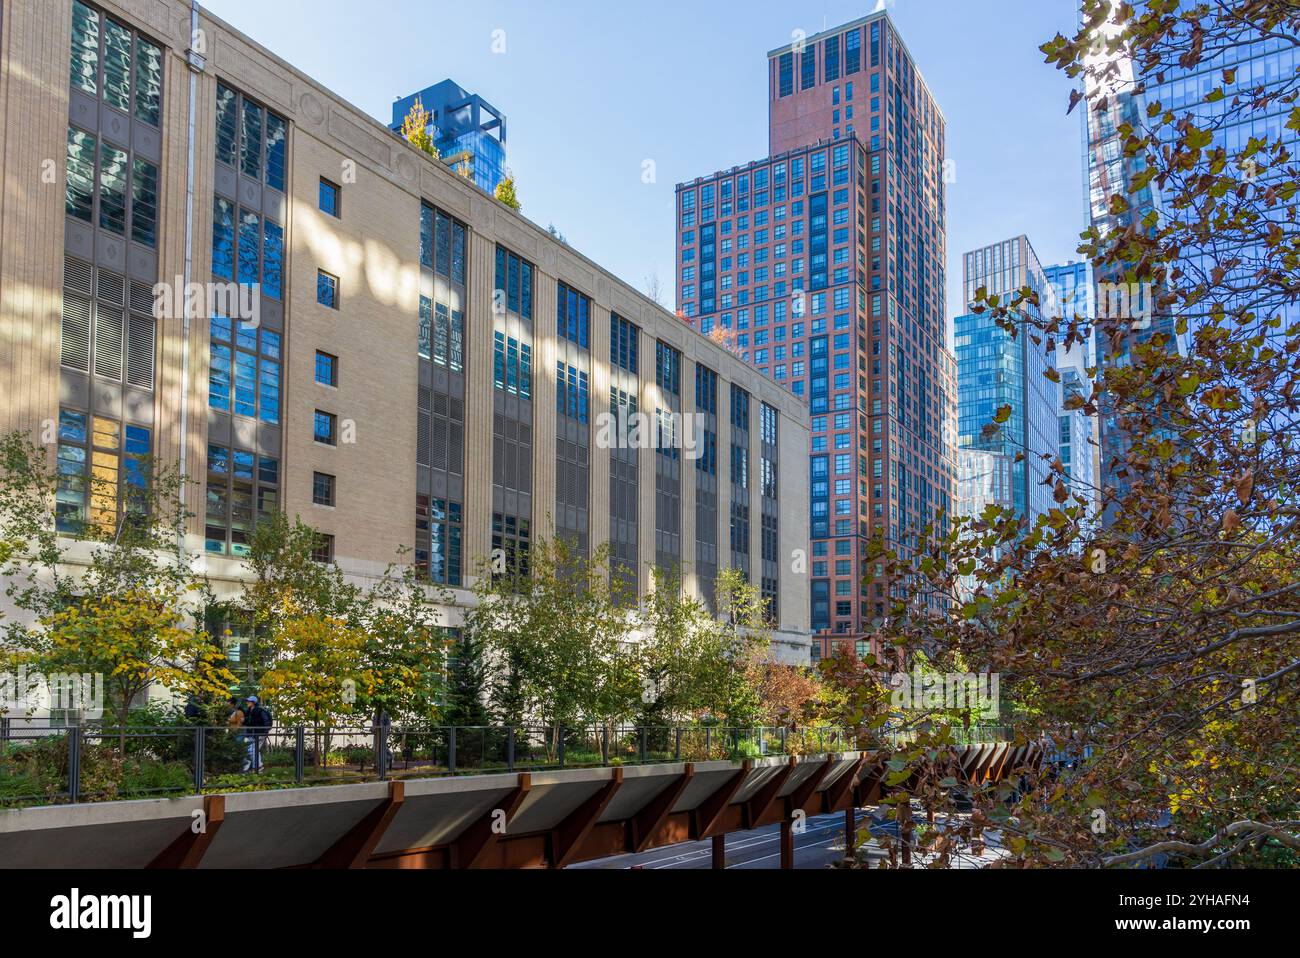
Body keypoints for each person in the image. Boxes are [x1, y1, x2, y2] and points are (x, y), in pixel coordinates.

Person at [245, 695, 271, 773]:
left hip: (259, 733)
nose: (247, 702)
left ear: (253, 702)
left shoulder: (260, 710)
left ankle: (257, 767)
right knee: (251, 750)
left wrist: (265, 732)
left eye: (249, 701)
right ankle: (257, 766)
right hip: (251, 733)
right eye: (247, 701)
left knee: (253, 749)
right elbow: (249, 723)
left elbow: (266, 722)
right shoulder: (249, 711)